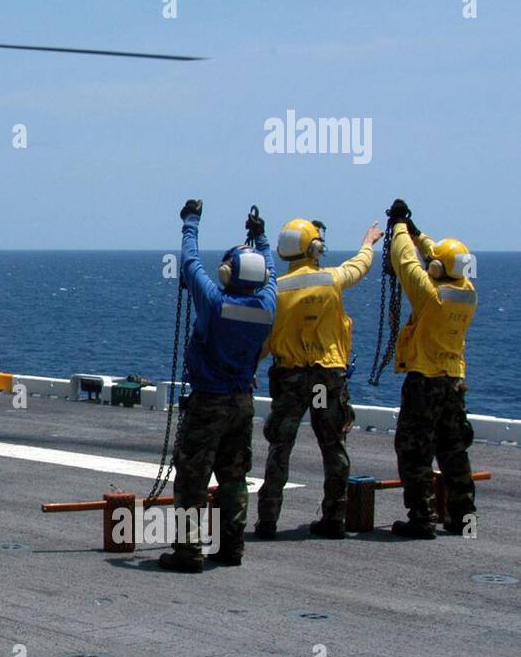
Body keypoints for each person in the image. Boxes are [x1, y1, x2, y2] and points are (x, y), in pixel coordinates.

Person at [159, 200, 276, 572]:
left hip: (209, 402)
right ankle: (231, 548)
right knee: (233, 477)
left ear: (228, 273)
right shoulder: (268, 304)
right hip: (242, 401)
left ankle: (188, 552)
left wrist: (190, 222)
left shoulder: (214, 304)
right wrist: (260, 237)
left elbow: (190, 263)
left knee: (193, 478)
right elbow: (270, 269)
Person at [255, 218, 383, 539]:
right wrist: (368, 242)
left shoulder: (275, 291)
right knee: (332, 444)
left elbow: (263, 342)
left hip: (290, 382)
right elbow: (359, 266)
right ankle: (334, 517)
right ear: (315, 248)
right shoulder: (331, 279)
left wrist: (244, 372)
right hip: (324, 383)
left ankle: (268, 520)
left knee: (280, 448)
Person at [385, 199, 478, 538]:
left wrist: (397, 226)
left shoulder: (430, 296)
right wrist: (418, 232)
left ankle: (421, 517)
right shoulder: (468, 293)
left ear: (437, 270)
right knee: (454, 449)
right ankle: (462, 516)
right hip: (454, 381)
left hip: (424, 380)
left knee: (414, 449)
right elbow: (434, 258)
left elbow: (405, 261)